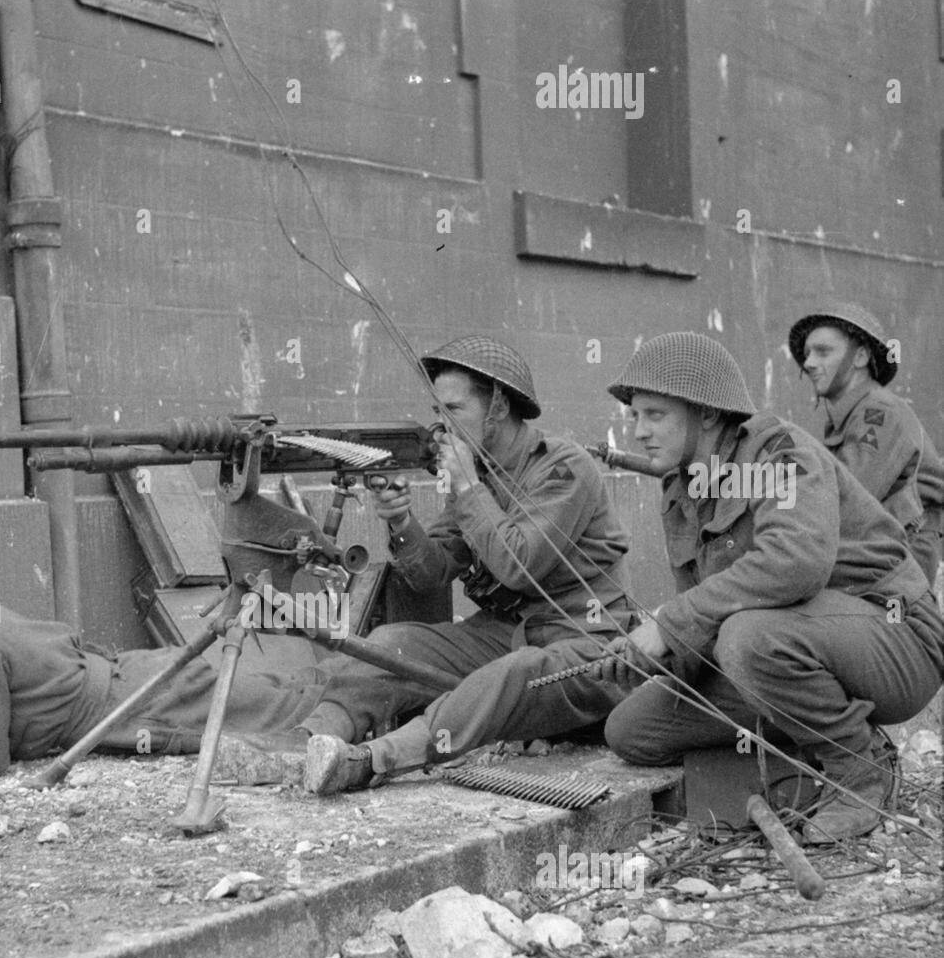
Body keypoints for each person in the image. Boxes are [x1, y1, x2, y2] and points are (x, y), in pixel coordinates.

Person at [600, 332, 943, 843]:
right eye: (635, 417)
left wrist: (669, 624)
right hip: (797, 645)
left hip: (896, 641)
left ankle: (859, 768)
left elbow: (796, 562)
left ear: (709, 414)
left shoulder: (781, 453)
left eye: (655, 415)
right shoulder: (684, 485)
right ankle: (812, 749)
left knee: (748, 637)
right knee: (633, 731)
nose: (639, 432)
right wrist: (661, 655)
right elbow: (707, 607)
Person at [301, 335, 637, 795]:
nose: (441, 429)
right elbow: (431, 572)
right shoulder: (477, 472)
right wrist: (401, 521)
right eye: (438, 414)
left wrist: (466, 486)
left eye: (453, 411)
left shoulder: (563, 468)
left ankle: (371, 760)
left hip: (582, 645)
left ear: (498, 405)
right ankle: (309, 744)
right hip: (501, 636)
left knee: (515, 673)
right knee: (391, 644)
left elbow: (519, 564)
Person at [0, 548, 331, 782]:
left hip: (140, 703)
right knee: (286, 698)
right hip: (129, 691)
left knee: (295, 705)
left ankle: (396, 687)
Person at [788, 302, 943, 583]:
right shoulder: (849, 417)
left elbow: (849, 494)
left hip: (901, 563)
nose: (808, 362)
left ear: (859, 357)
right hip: (876, 551)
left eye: (823, 351)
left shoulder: (880, 413)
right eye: (808, 353)